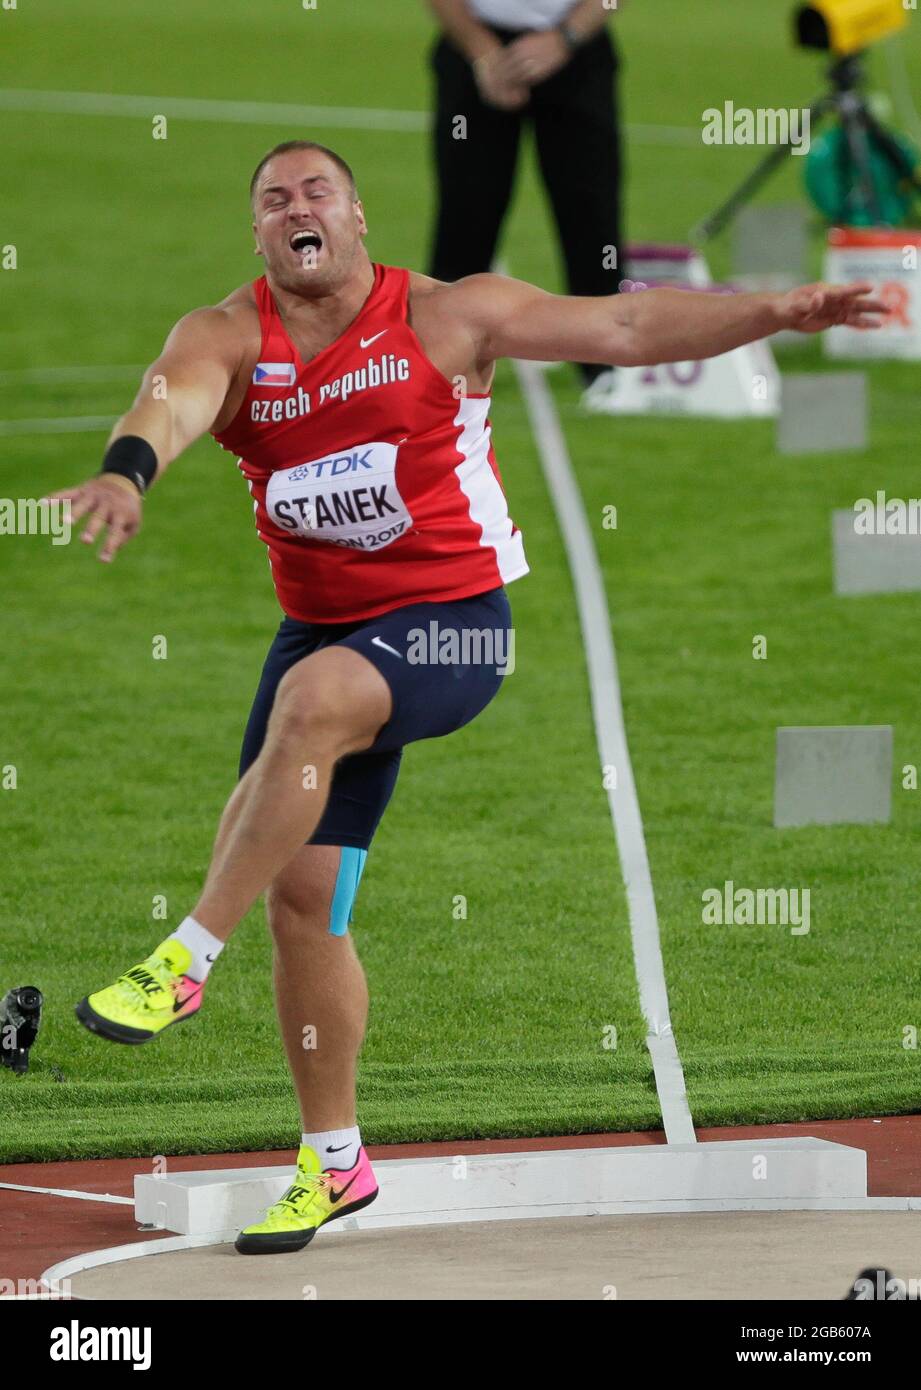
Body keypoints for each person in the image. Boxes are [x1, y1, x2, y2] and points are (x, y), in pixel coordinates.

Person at [45, 140, 884, 1256]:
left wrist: (782, 308)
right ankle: (334, 1162)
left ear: (358, 218)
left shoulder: (449, 317)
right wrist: (123, 471)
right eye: (273, 198)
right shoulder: (226, 335)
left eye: (317, 192)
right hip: (325, 631)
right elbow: (171, 402)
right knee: (305, 900)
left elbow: (626, 329)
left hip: (451, 626)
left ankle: (186, 958)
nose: (297, 207)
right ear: (258, 235)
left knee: (309, 701)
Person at [426, 0, 625, 389]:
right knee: (464, 213)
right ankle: (439, 360)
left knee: (592, 213)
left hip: (577, 49)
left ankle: (605, 364)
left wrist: (564, 39)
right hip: (472, 47)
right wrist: (483, 52)